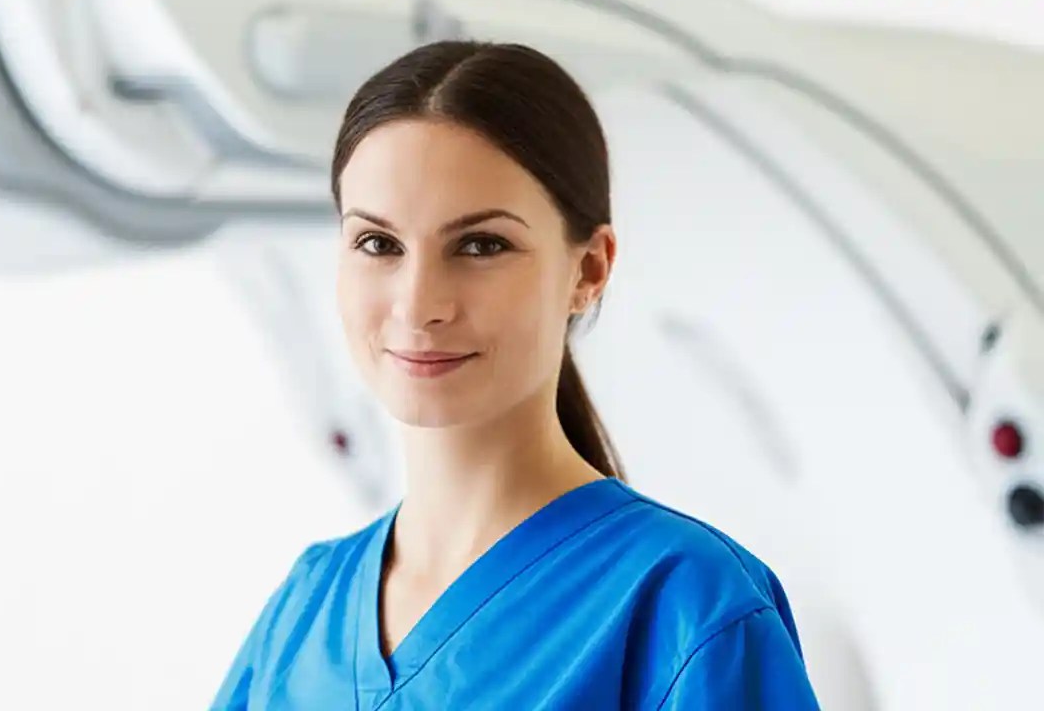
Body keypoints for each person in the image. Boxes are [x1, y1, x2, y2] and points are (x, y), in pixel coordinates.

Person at [211, 39, 821, 710]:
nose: (418, 304)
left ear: (589, 269)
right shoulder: (305, 608)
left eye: (480, 245)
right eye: (378, 244)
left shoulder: (687, 606)